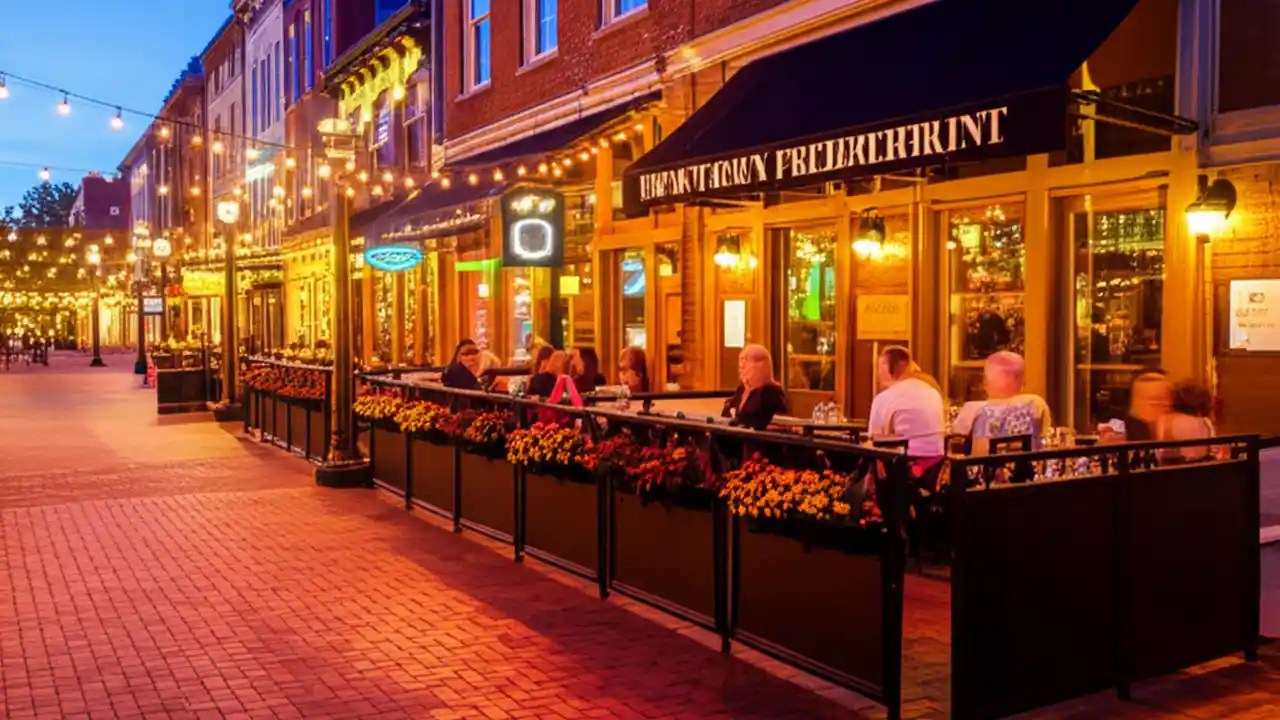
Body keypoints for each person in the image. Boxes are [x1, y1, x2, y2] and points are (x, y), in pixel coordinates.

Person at [952, 351, 1052, 453]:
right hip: (1027, 467)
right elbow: (1047, 439)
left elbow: (955, 439)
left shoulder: (973, 409)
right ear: (1022, 383)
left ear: (985, 382)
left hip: (986, 467)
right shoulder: (1037, 405)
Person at [868, 346, 945, 458]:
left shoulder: (883, 398)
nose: (877, 374)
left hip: (900, 468)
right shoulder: (933, 393)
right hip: (934, 468)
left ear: (886, 366)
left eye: (878, 367)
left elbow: (874, 442)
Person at [722, 344, 788, 430]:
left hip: (758, 440)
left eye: (747, 360)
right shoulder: (741, 390)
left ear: (761, 366)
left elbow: (779, 424)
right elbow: (731, 416)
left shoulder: (771, 392)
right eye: (741, 359)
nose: (742, 365)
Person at [1102, 371, 1172, 443]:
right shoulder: (1118, 428)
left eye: (1165, 399)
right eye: (1154, 400)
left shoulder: (1172, 427)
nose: (1165, 404)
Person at [1157, 380, 1215, 462]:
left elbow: (1161, 452)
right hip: (1202, 469)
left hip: (1173, 470)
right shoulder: (1206, 423)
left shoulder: (1166, 420)